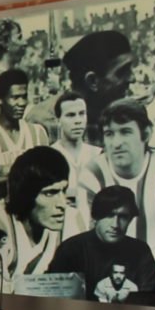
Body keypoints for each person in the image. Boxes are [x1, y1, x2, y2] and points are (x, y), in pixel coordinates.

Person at [79, 99, 155, 296]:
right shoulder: (92, 174)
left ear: (146, 134)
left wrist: (143, 266)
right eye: (109, 134)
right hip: (107, 264)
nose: (116, 143)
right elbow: (89, 235)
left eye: (125, 132)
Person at [48, 185, 155, 301]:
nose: (115, 225)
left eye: (123, 217)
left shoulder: (140, 251)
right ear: (95, 217)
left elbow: (147, 301)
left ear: (130, 219)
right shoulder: (70, 249)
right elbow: (56, 301)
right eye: (109, 215)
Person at [0, 146, 69, 292]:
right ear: (26, 195)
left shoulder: (71, 221)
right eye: (50, 193)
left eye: (64, 191)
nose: (62, 204)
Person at [0, 69, 50, 205]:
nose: (21, 103)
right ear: (0, 99)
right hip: (0, 208)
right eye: (15, 98)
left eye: (24, 97)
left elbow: (47, 175)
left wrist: (5, 171)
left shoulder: (38, 133)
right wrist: (30, 170)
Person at [62, 30, 134, 144]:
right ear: (92, 81)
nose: (132, 78)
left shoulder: (127, 115)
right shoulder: (50, 126)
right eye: (122, 72)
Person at [49, 90, 100, 233]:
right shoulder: (49, 156)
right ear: (58, 120)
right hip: (62, 231)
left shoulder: (98, 155)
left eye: (82, 113)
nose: (78, 120)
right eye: (70, 115)